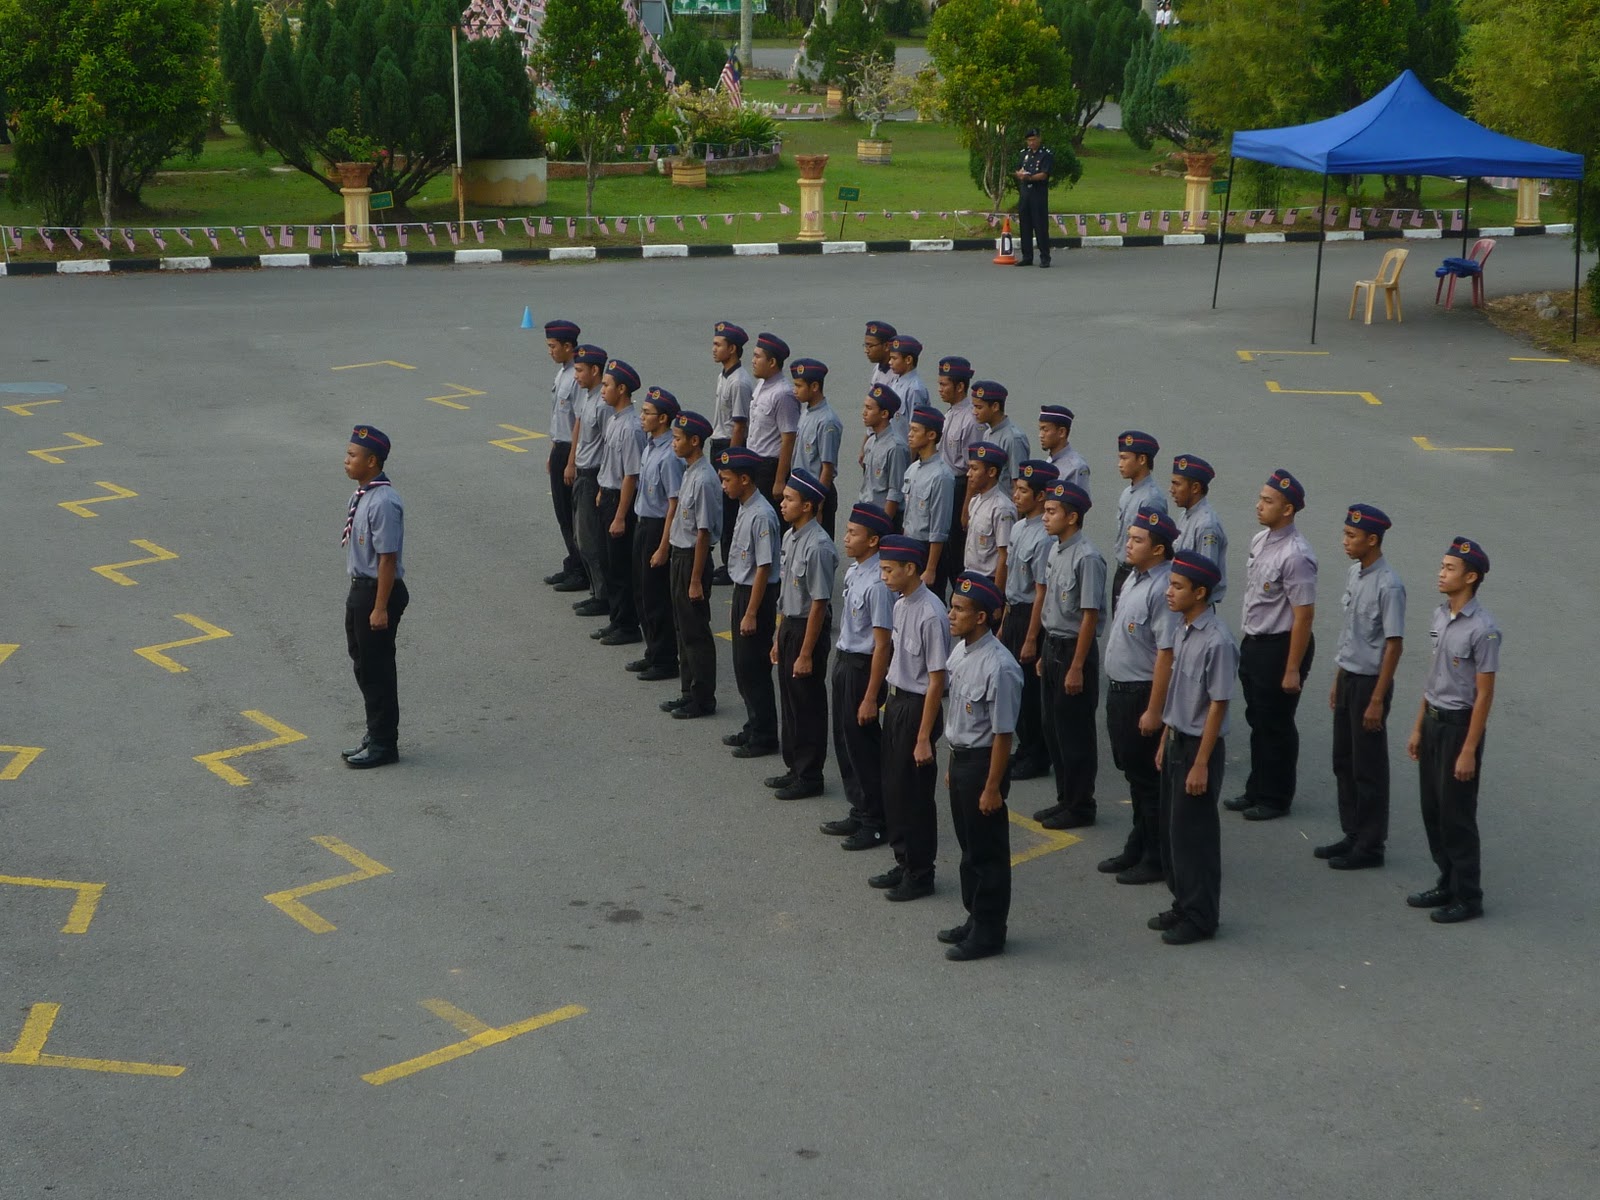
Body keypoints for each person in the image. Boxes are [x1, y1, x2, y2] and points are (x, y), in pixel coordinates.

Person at [1405, 537, 1499, 925]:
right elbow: (1434, 677)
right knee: (1433, 808)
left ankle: (1468, 895)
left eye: (1449, 568)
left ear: (1471, 577)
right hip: (1433, 722)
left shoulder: (1484, 630)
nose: (1441, 573)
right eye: (1442, 566)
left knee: (1457, 814)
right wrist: (1417, 728)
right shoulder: (1439, 616)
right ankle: (1446, 880)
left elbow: (1484, 695)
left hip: (1459, 728)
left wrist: (1468, 749)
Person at [1150, 551, 1237, 945]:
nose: (1170, 592)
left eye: (1178, 587)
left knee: (1195, 838)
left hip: (1199, 749)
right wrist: (1165, 739)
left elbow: (1218, 705)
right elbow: (1179, 694)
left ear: (1200, 592)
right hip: (1177, 743)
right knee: (1174, 832)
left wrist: (1201, 764)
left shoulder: (1217, 641)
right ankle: (1183, 902)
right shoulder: (1184, 628)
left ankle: (1201, 917)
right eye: (1170, 584)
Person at [939, 571, 1025, 962]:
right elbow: (958, 714)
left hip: (983, 765)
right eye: (953, 606)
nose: (951, 614)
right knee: (968, 849)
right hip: (962, 761)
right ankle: (974, 917)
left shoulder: (1000, 667)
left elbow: (1003, 734)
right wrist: (951, 763)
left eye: (959, 609)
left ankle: (990, 932)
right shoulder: (960, 653)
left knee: (987, 853)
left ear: (982, 617)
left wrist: (992, 787)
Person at [1226, 469, 1317, 821]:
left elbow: (1304, 615)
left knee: (1276, 723)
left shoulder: (1296, 555)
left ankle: (1276, 797)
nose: (1259, 505)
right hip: (1256, 642)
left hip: (1282, 647)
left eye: (1268, 501)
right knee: (1258, 718)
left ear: (1288, 509)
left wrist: (1292, 668)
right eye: (1261, 498)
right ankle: (1256, 788)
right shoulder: (1260, 540)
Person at [1321, 504, 1406, 870]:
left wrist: (1376, 700)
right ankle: (1352, 832)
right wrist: (1338, 678)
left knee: (1368, 767)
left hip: (1371, 683)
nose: (1345, 541)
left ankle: (1371, 845)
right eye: (1345, 534)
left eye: (1352, 536)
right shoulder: (1355, 574)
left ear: (1373, 540)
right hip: (1350, 677)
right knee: (1344, 760)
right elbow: (1350, 635)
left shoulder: (1389, 585)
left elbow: (1393, 645)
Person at [1100, 506, 1179, 885]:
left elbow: (1166, 653)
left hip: (1141, 692)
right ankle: (1138, 843)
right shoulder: (1135, 577)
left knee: (1148, 781)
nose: (1128, 544)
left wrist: (1154, 710)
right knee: (1134, 775)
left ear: (1159, 549)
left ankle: (1156, 856)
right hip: (1121, 689)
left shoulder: (1163, 589)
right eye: (1129, 537)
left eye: (1137, 540)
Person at [872, 535, 950, 902]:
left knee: (916, 795)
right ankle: (903, 860)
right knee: (894, 786)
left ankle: (921, 872)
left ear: (911, 569)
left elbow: (936, 681)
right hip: (897, 701)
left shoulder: (932, 614)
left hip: (919, 707)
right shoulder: (901, 605)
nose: (884, 575)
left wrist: (923, 737)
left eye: (889, 569)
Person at [821, 503, 896, 851]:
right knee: (844, 738)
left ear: (873, 540)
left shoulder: (879, 584)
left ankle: (876, 819)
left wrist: (870, 696)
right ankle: (859, 806)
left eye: (853, 533)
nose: (846, 538)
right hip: (845, 659)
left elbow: (882, 645)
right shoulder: (856, 572)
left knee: (863, 744)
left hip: (863, 667)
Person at [1035, 479, 1105, 831]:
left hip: (1073, 650)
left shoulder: (1088, 558)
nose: (1045, 517)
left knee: (1074, 732)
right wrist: (1042, 651)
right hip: (1053, 646)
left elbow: (1090, 615)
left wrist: (1077, 666)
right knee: (1053, 727)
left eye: (1051, 512)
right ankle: (1065, 798)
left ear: (1072, 517)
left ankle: (1081, 804)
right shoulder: (1056, 549)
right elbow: (1049, 601)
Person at [767, 468, 839, 800]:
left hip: (808, 630)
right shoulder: (791, 535)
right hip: (791, 627)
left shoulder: (819, 546)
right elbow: (787, 593)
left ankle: (810, 775)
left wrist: (807, 653)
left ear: (808, 506)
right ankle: (794, 766)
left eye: (790, 499)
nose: (782, 503)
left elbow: (819, 604)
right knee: (791, 702)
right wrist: (778, 637)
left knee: (807, 704)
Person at [341, 424, 408, 769]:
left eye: (352, 456)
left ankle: (384, 743)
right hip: (361, 590)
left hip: (377, 592)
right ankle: (375, 730)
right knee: (363, 664)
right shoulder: (363, 494)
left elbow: (387, 559)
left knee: (377, 669)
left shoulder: (383, 502)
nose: (346, 461)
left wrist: (380, 608)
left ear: (372, 461)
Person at [716, 446, 781, 753]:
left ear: (744, 479)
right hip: (743, 592)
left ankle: (765, 734)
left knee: (753, 667)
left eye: (727, 479)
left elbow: (764, 567)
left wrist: (752, 612)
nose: (723, 485)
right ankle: (753, 725)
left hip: (757, 595)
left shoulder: (762, 514)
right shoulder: (745, 505)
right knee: (742, 667)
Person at [1000, 460, 1059, 780]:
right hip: (1013, 612)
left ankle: (1037, 753)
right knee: (1014, 687)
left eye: (1023, 491)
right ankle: (1024, 746)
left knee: (1030, 692)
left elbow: (1041, 591)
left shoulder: (1044, 538)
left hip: (1030, 619)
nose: (1016, 495)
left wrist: (1031, 637)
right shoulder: (1020, 528)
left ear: (1040, 497)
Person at [666, 411, 721, 719]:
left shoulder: (703, 479)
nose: (674, 443)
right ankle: (688, 692)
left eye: (678, 439)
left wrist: (696, 579)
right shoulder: (689, 470)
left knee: (695, 632)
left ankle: (702, 698)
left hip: (692, 560)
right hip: (680, 555)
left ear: (695, 441)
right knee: (682, 628)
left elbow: (702, 533)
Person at [630, 386, 685, 681]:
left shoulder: (670, 456)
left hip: (657, 528)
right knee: (641, 592)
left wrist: (664, 546)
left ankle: (665, 659)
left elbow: (673, 504)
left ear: (663, 418)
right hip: (643, 523)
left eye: (647, 413)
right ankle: (652, 651)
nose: (642, 417)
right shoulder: (651, 446)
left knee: (656, 597)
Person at [593, 359, 646, 647]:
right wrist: (602, 491)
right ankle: (616, 619)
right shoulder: (614, 419)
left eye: (607, 385)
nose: (603, 390)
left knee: (621, 567)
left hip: (621, 502)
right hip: (609, 495)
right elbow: (612, 465)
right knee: (608, 563)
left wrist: (620, 516)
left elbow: (631, 475)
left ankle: (628, 625)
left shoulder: (631, 427)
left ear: (622, 389)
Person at [542, 318, 587, 591]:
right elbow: (559, 418)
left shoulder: (575, 377)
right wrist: (553, 452)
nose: (550, 351)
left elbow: (579, 421)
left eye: (553, 346)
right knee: (561, 511)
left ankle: (581, 570)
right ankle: (572, 562)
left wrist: (571, 461)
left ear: (569, 346)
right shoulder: (562, 373)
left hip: (572, 451)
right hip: (560, 447)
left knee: (572, 514)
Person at [566, 344, 610, 619]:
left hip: (594, 475)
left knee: (591, 540)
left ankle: (603, 595)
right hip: (582, 472)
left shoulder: (603, 405)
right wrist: (571, 461)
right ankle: (596, 591)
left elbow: (608, 447)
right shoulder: (587, 396)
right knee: (581, 537)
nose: (576, 375)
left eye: (580, 370)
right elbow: (579, 428)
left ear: (595, 370)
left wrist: (602, 486)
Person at [709, 321, 752, 584]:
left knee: (730, 510)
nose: (713, 349)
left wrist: (731, 462)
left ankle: (731, 564)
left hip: (730, 446)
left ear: (732, 348)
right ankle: (726, 561)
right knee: (722, 509)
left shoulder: (739, 381)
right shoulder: (724, 375)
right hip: (718, 444)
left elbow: (739, 425)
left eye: (718, 345)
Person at [901, 407, 956, 598]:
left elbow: (939, 528)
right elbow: (908, 516)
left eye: (915, 430)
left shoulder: (941, 476)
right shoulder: (913, 470)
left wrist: (931, 568)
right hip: (910, 545)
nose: (910, 435)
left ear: (931, 435)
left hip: (928, 550)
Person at [747, 332, 798, 526]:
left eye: (758, 356)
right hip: (754, 464)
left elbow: (788, 438)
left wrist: (779, 480)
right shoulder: (761, 385)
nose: (753, 361)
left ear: (772, 362)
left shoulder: (783, 394)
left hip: (769, 468)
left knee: (770, 522)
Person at [1112, 430, 1166, 611]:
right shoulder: (1127, 493)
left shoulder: (1151, 498)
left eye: (1125, 458)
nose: (1120, 464)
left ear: (1142, 460)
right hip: (1123, 571)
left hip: (1139, 573)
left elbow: (1153, 545)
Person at [790, 358, 843, 539]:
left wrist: (818, 506)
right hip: (800, 493)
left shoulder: (827, 421)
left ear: (814, 387)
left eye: (799, 385)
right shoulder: (806, 412)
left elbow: (827, 468)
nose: (794, 390)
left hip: (816, 497)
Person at [937, 356, 980, 574]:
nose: (940, 389)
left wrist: (965, 509)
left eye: (944, 384)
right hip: (945, 484)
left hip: (959, 486)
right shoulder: (950, 412)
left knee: (955, 546)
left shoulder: (970, 421)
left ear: (960, 386)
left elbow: (972, 470)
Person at [1169, 453, 1228, 608]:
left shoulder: (1206, 525)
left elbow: (1204, 577)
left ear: (1195, 488)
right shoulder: (1185, 516)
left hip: (1198, 607)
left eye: (1177, 484)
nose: (1172, 490)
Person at [963, 441, 1016, 592]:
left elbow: (1004, 556)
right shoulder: (975, 501)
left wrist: (997, 595)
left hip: (988, 580)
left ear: (991, 472)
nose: (968, 474)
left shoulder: (1002, 508)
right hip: (970, 574)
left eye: (974, 469)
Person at [858, 384, 908, 525]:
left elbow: (895, 493)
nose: (864, 412)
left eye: (869, 408)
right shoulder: (871, 442)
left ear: (884, 414)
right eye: (864, 407)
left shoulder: (895, 447)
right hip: (867, 512)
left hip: (885, 517)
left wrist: (883, 525)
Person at [969, 381, 1030, 489]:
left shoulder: (1013, 438)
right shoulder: (987, 433)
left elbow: (1018, 482)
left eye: (979, 407)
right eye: (974, 407)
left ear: (995, 407)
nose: (974, 412)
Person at [1014, 128, 1054, 268]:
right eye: (1029, 140)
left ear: (1039, 139)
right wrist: (1019, 174)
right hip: (1025, 194)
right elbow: (1018, 169)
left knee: (1040, 226)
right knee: (1025, 225)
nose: (1031, 143)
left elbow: (1044, 174)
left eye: (1033, 140)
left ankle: (1045, 257)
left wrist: (1029, 177)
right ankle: (1027, 256)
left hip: (1038, 194)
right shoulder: (1024, 154)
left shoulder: (1045, 155)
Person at [863, 320, 904, 443]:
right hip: (876, 438)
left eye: (871, 346)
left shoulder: (897, 375)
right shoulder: (877, 369)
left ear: (887, 346)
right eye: (865, 345)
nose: (866, 350)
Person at [1037, 404, 1090, 494]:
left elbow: (1079, 504)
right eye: (1040, 429)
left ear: (1061, 432)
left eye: (1045, 430)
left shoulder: (1076, 467)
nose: (1040, 435)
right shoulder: (1050, 461)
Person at [886, 335, 930, 437]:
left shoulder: (914, 389)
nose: (890, 362)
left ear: (908, 360)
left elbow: (916, 429)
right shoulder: (896, 382)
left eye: (894, 358)